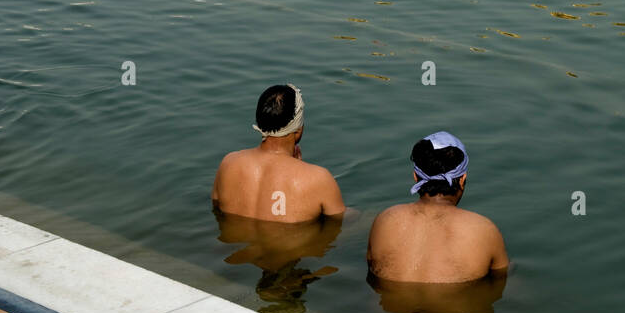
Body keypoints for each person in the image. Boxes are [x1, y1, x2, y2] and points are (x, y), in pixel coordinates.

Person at [366, 132, 508, 284]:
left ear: (415, 176)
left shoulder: (385, 220)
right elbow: (501, 279)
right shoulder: (484, 230)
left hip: (390, 307)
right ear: (462, 180)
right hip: (455, 306)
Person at [211, 84, 345, 224]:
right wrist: (300, 169)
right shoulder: (318, 179)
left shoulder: (228, 164)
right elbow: (341, 223)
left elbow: (216, 208)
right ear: (298, 129)